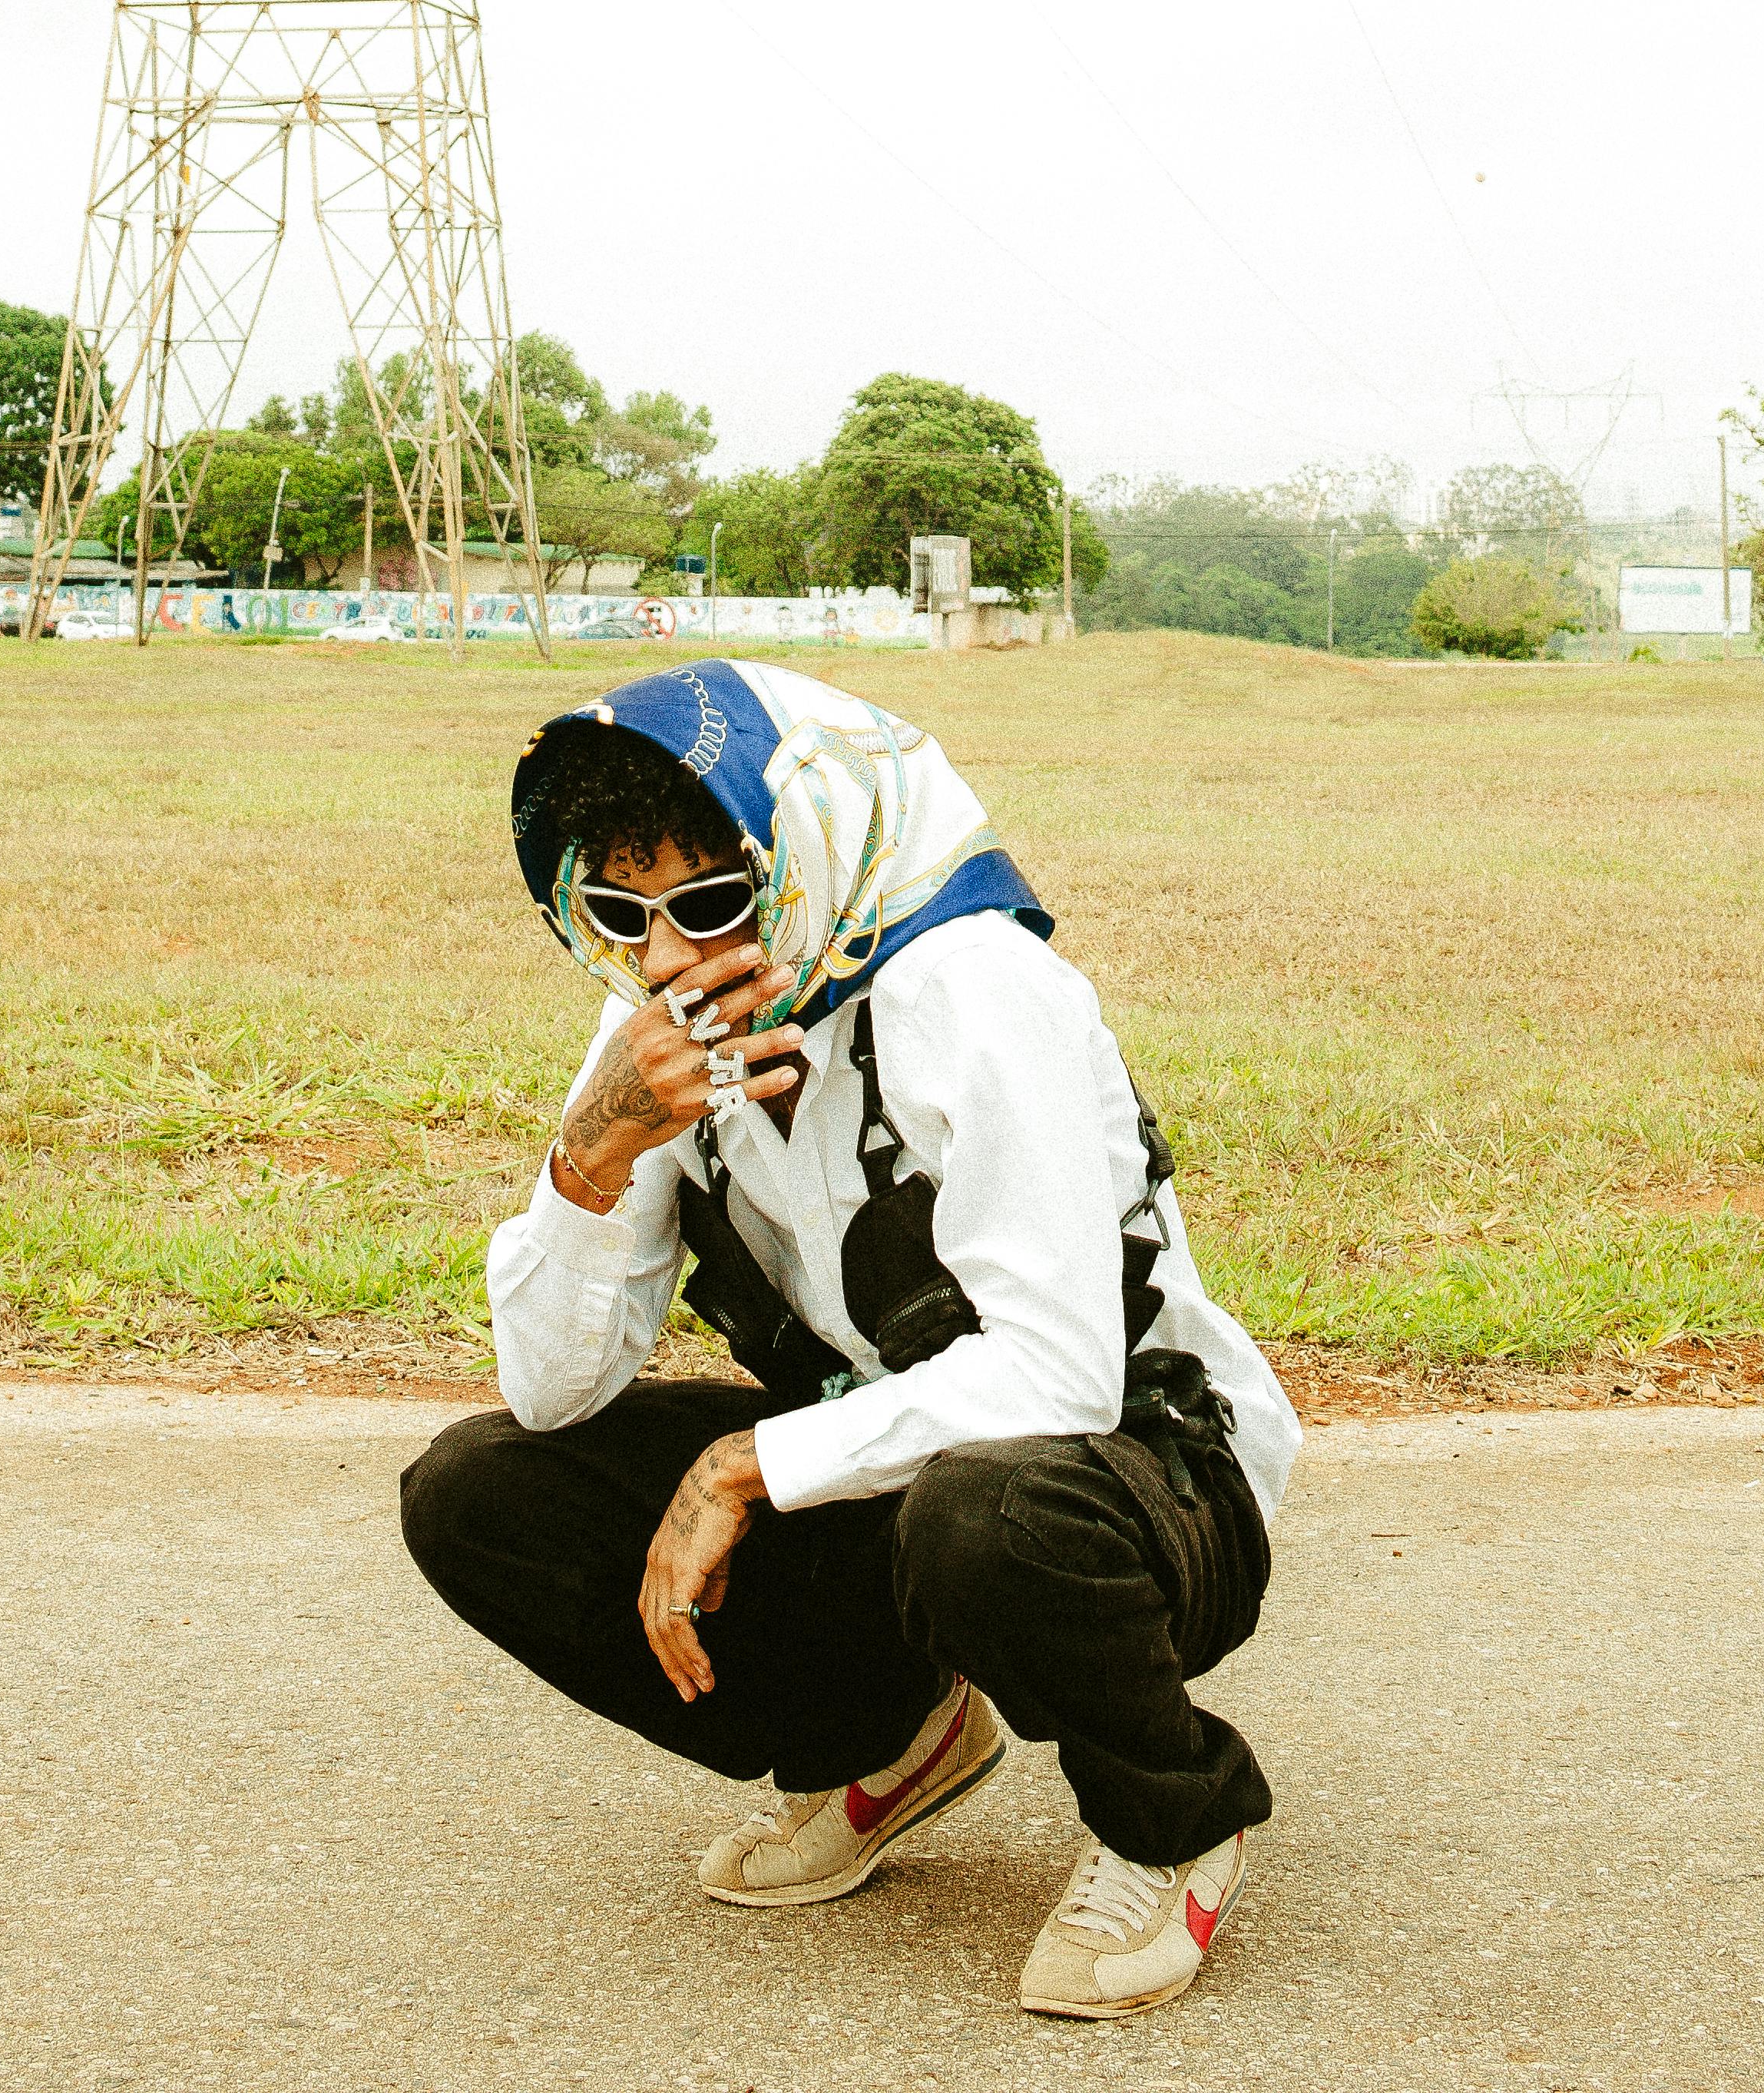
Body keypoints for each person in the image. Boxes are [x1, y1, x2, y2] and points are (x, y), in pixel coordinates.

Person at [399, 658, 1299, 2022]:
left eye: (710, 902)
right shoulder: (659, 1032)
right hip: (896, 1474)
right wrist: (593, 1151)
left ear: (808, 854)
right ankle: (890, 1740)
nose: (665, 959)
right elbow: (553, 1385)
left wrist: (740, 1464)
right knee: (476, 1490)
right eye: (618, 910)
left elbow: (1058, 1372)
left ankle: (1171, 1817)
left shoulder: (976, 988)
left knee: (986, 1508)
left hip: (1138, 1485)